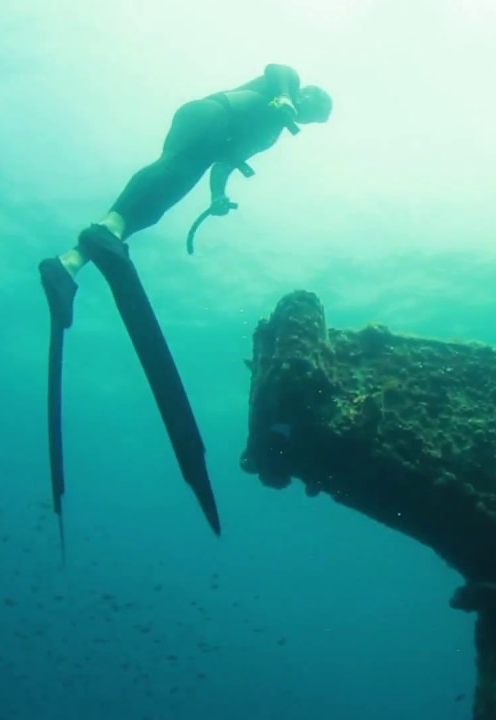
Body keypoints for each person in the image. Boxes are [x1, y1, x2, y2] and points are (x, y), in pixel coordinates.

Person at [36, 64, 332, 548]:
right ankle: (103, 234)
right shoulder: (286, 87)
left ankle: (70, 264)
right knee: (170, 173)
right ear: (309, 96)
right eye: (314, 109)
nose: (309, 116)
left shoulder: (272, 135)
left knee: (152, 207)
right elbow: (281, 69)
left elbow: (223, 162)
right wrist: (283, 96)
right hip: (206, 115)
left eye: (315, 118)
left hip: (211, 137)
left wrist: (218, 198)